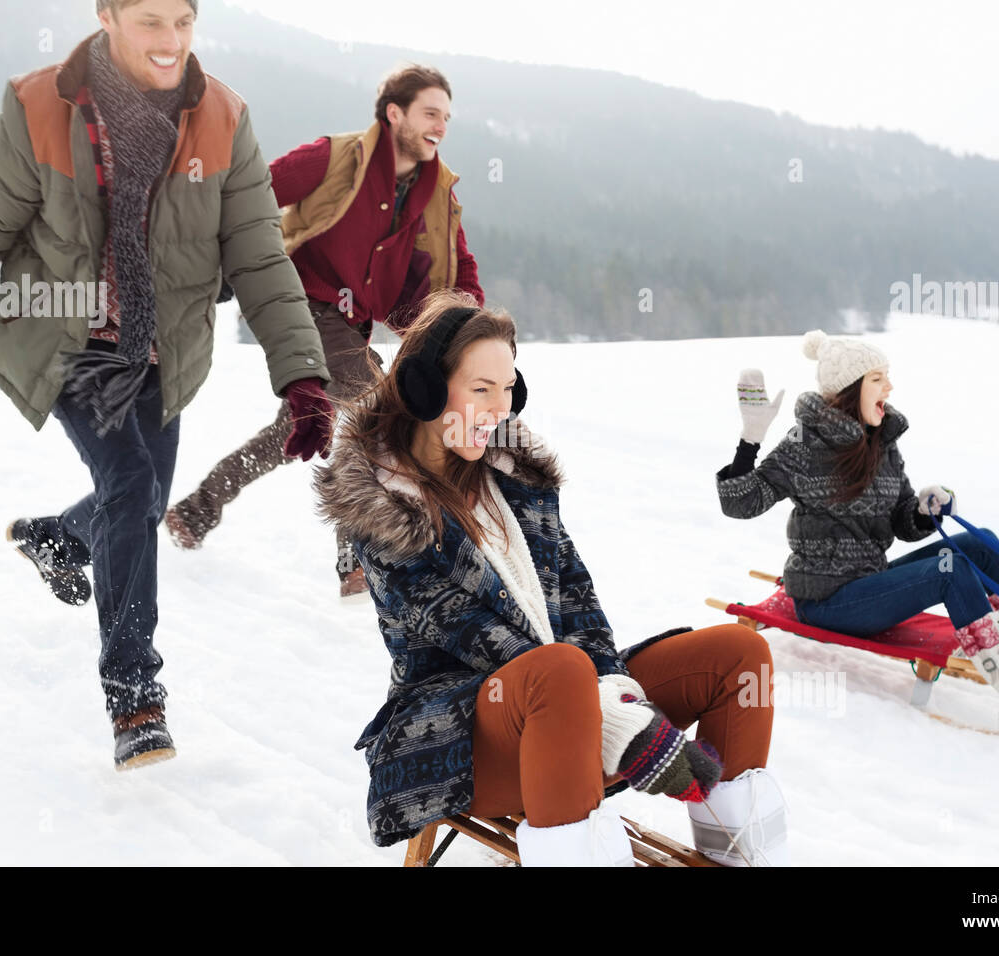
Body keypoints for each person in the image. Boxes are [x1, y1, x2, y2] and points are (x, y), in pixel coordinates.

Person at [0, 0, 334, 769]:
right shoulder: (38, 107)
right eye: (151, 21)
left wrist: (301, 378)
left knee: (145, 497)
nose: (170, 41)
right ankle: (135, 694)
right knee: (130, 484)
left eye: (183, 22)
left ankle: (57, 539)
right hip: (66, 332)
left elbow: (259, 257)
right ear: (107, 15)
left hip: (162, 347)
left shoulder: (224, 117)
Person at [314, 291, 787, 866]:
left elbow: (580, 608)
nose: (498, 408)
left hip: (566, 692)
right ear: (425, 390)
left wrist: (613, 692)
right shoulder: (382, 507)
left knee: (738, 653)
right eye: (480, 389)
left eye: (507, 389)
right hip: (457, 731)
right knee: (559, 670)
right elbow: (482, 641)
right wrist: (619, 722)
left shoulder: (518, 483)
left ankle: (742, 855)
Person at [165, 64, 483, 600]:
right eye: (431, 113)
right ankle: (358, 559)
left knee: (294, 435)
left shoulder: (437, 193)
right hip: (298, 302)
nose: (441, 126)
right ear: (395, 113)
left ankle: (195, 511)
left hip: (352, 323)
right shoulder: (336, 158)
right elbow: (251, 192)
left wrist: (474, 330)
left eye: (447, 117)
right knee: (377, 411)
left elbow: (460, 266)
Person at [716, 329, 999, 750]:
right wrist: (750, 439)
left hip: (870, 581)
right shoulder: (804, 444)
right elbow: (741, 504)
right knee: (950, 571)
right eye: (877, 378)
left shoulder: (881, 443)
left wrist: (924, 509)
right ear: (851, 389)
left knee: (981, 545)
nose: (890, 386)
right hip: (827, 600)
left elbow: (902, 520)